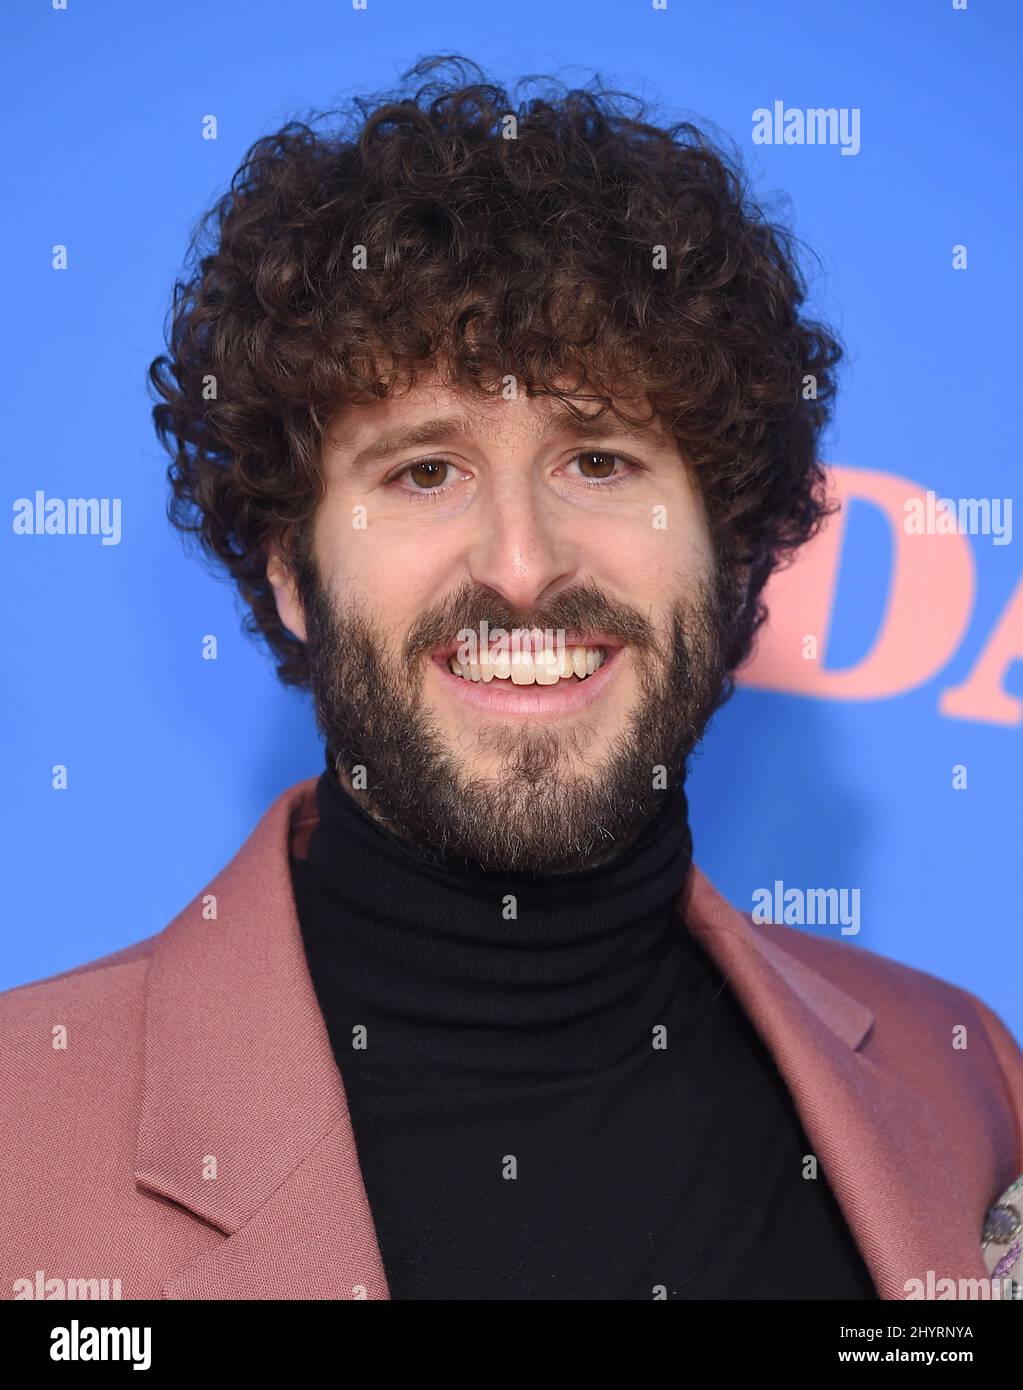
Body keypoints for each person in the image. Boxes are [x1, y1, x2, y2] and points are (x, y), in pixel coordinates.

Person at [2, 56, 1021, 1302]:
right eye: (424, 472)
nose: (523, 565)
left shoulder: (959, 1080)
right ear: (290, 572)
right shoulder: (25, 1123)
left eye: (600, 458)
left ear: (732, 548)